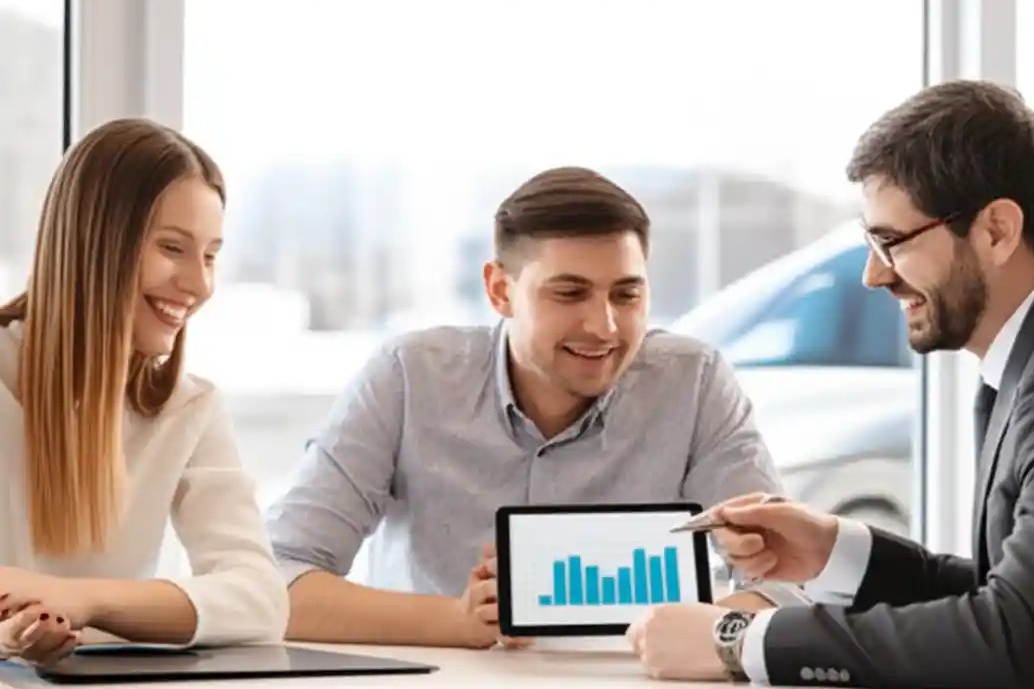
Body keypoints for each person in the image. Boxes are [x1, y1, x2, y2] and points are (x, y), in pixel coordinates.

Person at [627, 80, 1034, 687]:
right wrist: (834, 550)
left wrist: (739, 638)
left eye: (893, 242)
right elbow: (1016, 598)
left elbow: (1018, 642)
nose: (874, 277)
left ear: (997, 229)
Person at [266, 166, 790, 649]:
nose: (604, 327)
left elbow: (788, 586)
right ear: (500, 290)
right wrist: (456, 621)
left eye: (626, 295)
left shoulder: (693, 383)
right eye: (569, 294)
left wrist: (703, 630)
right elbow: (272, 582)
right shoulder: (409, 376)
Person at [0, 118, 289, 667]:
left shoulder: (189, 407)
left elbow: (259, 599)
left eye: (209, 255)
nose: (200, 285)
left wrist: (81, 599)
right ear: (94, 242)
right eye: (172, 248)